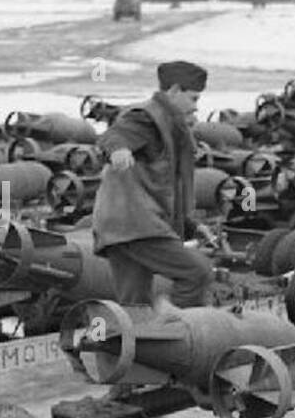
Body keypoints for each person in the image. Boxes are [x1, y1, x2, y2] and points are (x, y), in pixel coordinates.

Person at [92, 60, 216, 312]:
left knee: (134, 306)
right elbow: (114, 135)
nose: (196, 107)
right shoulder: (149, 118)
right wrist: (118, 150)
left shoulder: (169, 125)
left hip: (120, 227)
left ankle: (133, 347)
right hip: (136, 225)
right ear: (174, 91)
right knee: (198, 272)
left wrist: (191, 225)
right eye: (193, 99)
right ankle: (171, 320)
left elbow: (162, 188)